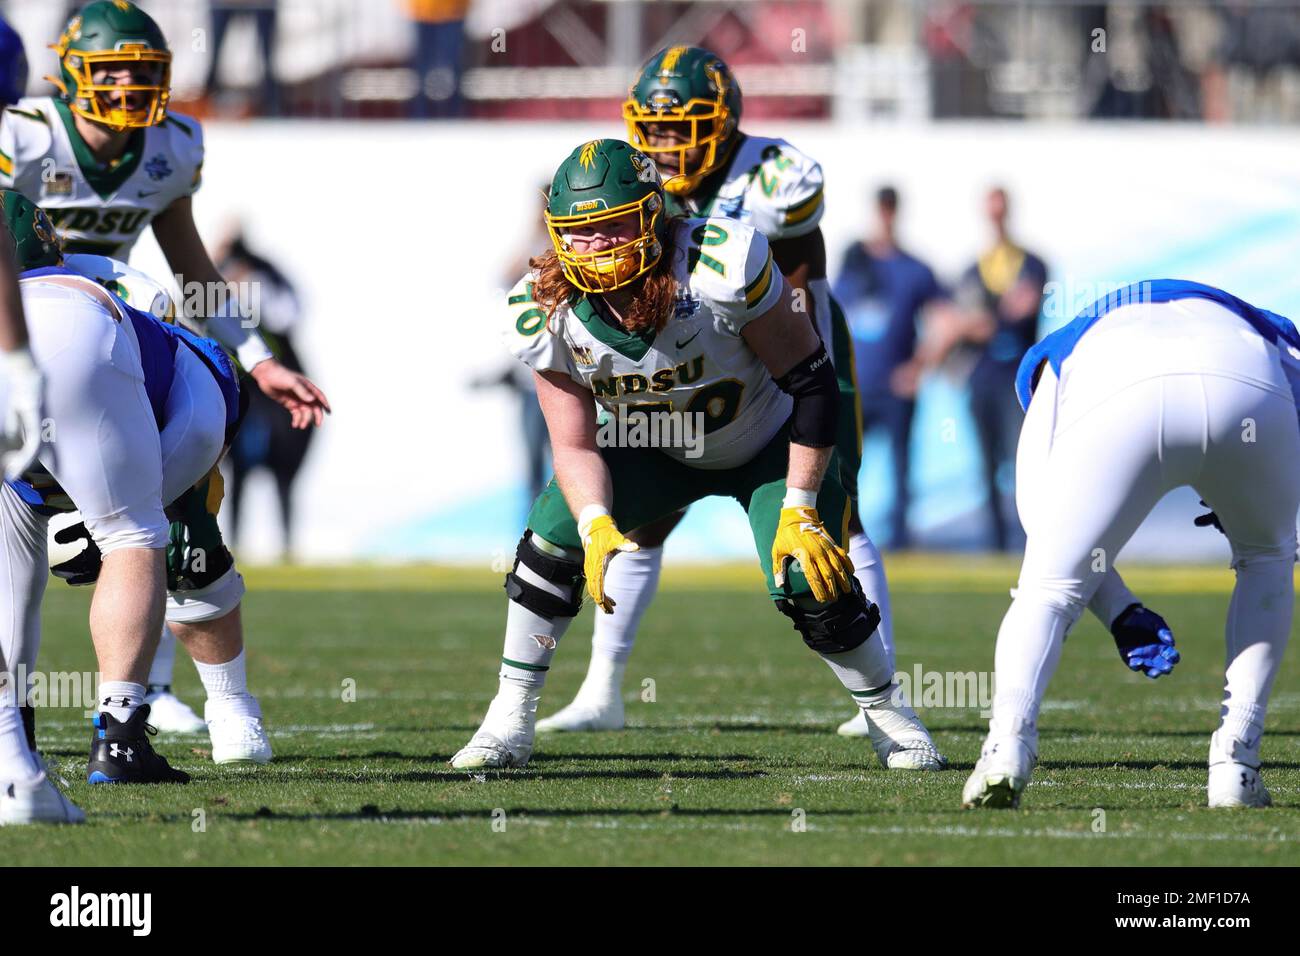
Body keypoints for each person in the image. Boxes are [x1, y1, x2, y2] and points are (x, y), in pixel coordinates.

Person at [538, 46, 943, 767]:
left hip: (788, 349)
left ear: (723, 121)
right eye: (652, 128)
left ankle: (884, 691)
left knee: (830, 516)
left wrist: (764, 370)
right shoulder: (631, 178)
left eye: (682, 126)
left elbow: (791, 291)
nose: (664, 144)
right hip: (679, 351)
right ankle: (602, 690)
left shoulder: (778, 176)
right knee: (646, 518)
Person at [451, 139, 911, 771]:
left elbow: (812, 381)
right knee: (551, 539)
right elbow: (574, 444)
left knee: (810, 573)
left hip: (765, 441)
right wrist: (595, 523)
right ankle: (510, 719)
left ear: (652, 213)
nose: (597, 247)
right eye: (578, 234)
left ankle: (890, 717)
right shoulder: (544, 306)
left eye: (611, 226)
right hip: (654, 445)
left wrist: (800, 506)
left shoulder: (721, 263)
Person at [0, 1, 329, 735]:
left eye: (141, 71)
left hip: (111, 340)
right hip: (17, 330)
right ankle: (21, 709)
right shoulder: (22, 134)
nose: (126, 85)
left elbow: (194, 267)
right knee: (32, 529)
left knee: (168, 523)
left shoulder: (170, 146)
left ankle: (146, 688)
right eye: (111, 69)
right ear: (71, 74)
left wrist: (259, 357)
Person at [963, 280, 1297, 810]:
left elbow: (1038, 519)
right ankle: (1237, 762)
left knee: (1046, 591)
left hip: (1120, 389)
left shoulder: (1061, 352)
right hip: (1250, 384)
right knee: (1268, 562)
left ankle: (1007, 745)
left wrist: (1119, 609)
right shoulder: (1264, 329)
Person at [0, 190, 242, 821]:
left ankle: (12, 746)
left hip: (50, 361)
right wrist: (109, 521)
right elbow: (196, 425)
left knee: (13, 581)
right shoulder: (185, 353)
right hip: (79, 342)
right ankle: (120, 735)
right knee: (132, 535)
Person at [930, 187, 1046, 551]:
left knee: (1022, 463)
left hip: (1017, 377)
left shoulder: (1032, 263)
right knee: (985, 464)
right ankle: (996, 543)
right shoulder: (971, 268)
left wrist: (980, 320)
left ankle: (1034, 541)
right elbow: (955, 322)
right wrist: (973, 322)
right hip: (981, 379)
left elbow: (1022, 308)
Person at [833, 186, 949, 549]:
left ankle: (900, 542)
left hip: (895, 388)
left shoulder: (914, 268)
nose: (884, 215)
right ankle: (844, 534)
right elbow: (829, 315)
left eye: (889, 209)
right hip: (855, 386)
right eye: (880, 208)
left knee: (901, 468)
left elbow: (946, 321)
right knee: (844, 466)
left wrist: (918, 367)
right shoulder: (853, 263)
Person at [216, 230, 313, 559]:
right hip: (244, 388)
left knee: (284, 464)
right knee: (238, 466)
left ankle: (286, 544)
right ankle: (234, 543)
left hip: (274, 393)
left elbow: (287, 314)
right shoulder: (216, 284)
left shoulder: (268, 282)